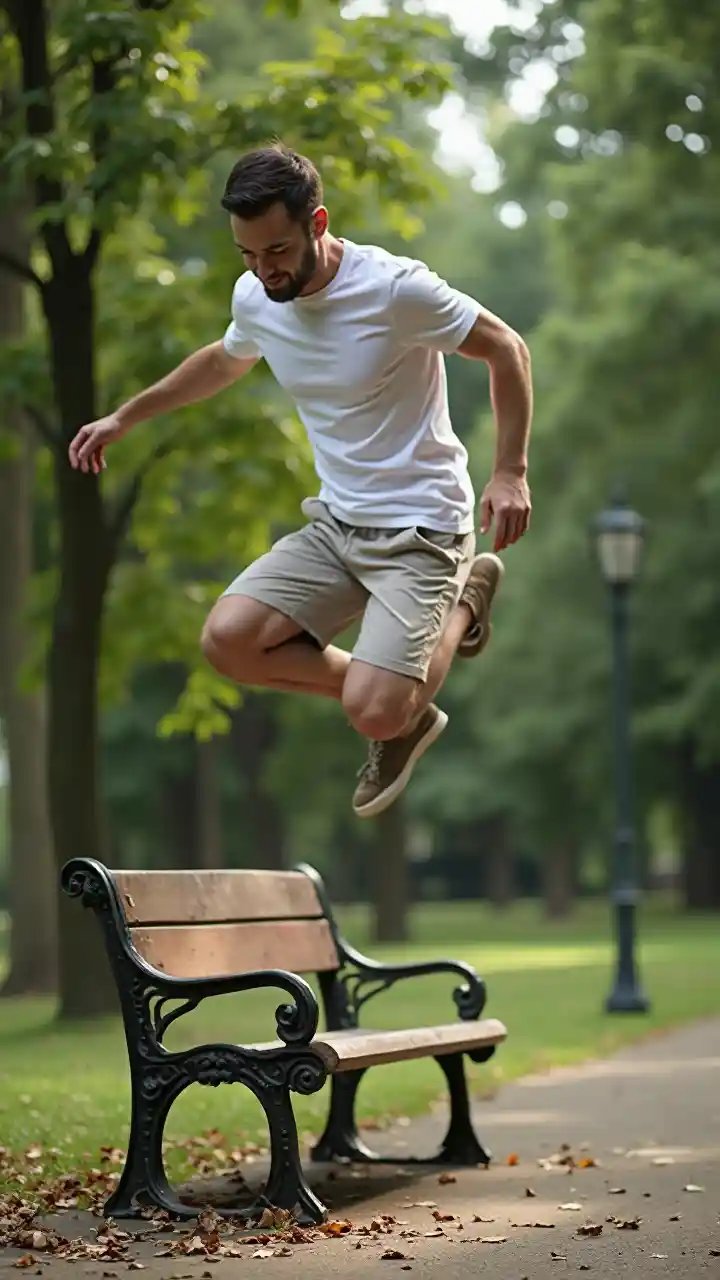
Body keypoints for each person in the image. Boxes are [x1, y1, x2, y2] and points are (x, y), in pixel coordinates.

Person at [69, 143, 532, 820]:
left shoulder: (395, 289)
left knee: (370, 713)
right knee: (228, 642)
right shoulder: (258, 295)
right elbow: (226, 361)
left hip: (422, 525)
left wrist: (511, 470)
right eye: (248, 256)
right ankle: (394, 707)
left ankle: (458, 604)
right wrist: (125, 416)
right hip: (338, 524)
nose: (264, 270)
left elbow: (507, 348)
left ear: (317, 223)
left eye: (277, 251)